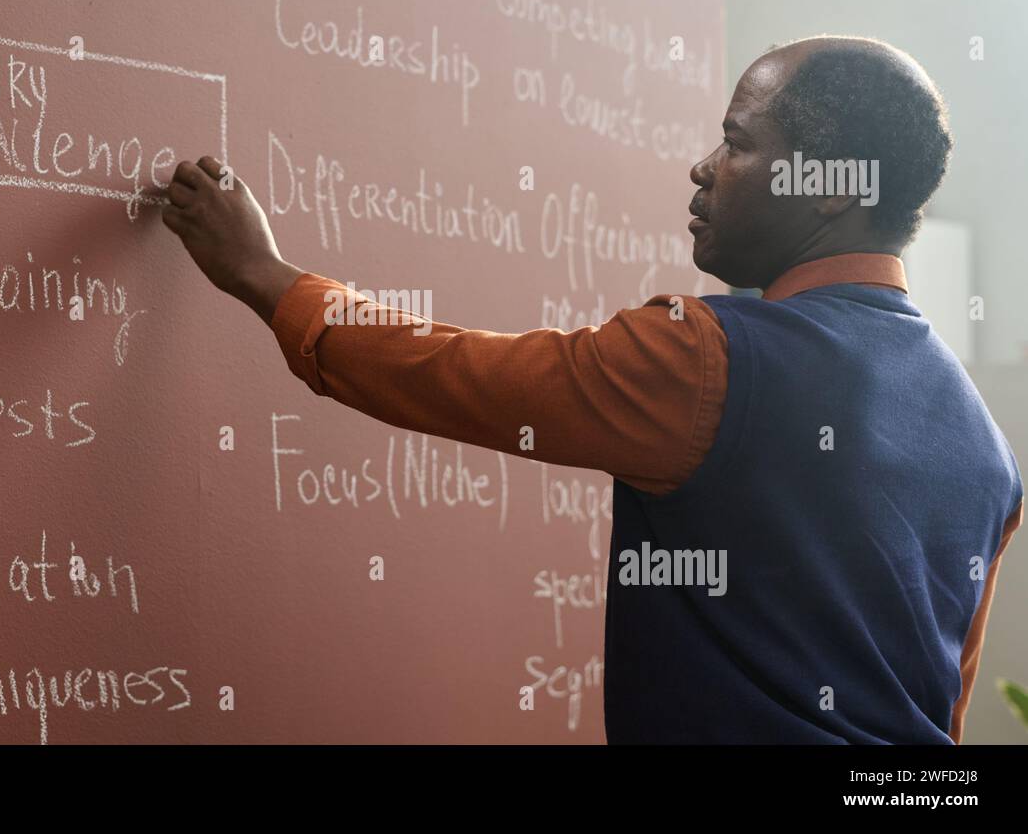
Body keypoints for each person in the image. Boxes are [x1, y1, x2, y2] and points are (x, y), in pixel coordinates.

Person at [156, 36, 1022, 744]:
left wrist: (264, 276)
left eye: (739, 140)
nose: (704, 165)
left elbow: (462, 374)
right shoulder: (986, 446)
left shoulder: (705, 359)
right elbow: (942, 705)